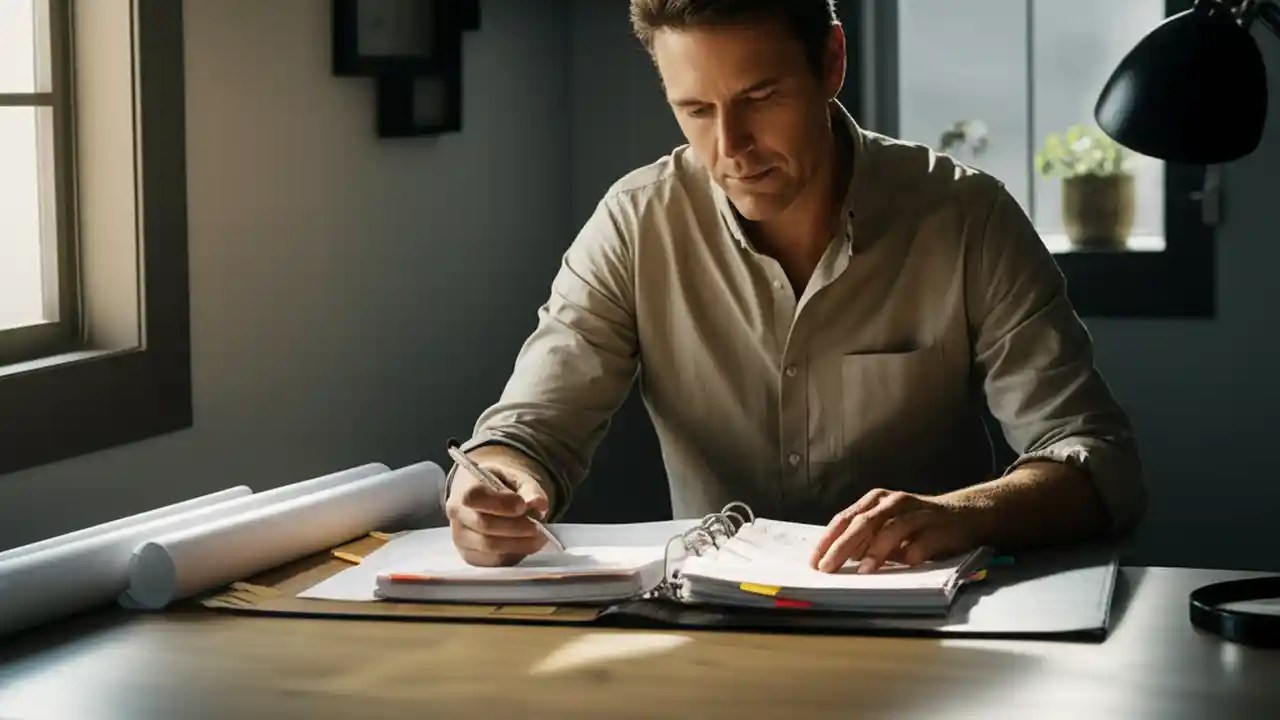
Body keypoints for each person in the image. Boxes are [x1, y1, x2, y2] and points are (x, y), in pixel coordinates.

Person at [443, 0, 1145, 574]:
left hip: (929, 629)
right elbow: (528, 432)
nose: (731, 148)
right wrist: (495, 483)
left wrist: (960, 515)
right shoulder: (635, 223)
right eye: (695, 110)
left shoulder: (967, 218)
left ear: (831, 61)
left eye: (761, 97)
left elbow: (1096, 461)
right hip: (713, 635)